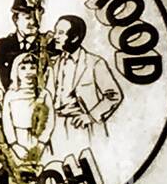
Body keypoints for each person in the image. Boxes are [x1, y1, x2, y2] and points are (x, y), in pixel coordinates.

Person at [45, 14, 123, 157]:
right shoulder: (54, 64)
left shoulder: (94, 63)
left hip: (84, 128)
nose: (55, 36)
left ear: (74, 38)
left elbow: (113, 96)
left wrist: (90, 116)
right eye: (56, 31)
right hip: (57, 129)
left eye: (61, 33)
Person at [1, 52, 55, 160]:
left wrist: (41, 144)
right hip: (18, 142)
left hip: (40, 142)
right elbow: (7, 122)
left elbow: (50, 121)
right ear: (15, 70)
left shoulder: (44, 94)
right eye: (23, 68)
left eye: (32, 67)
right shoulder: (10, 95)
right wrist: (15, 145)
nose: (28, 72)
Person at [0, 0, 48, 90]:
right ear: (15, 19)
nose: (33, 22)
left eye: (36, 17)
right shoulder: (3, 46)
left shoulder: (48, 44)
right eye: (27, 17)